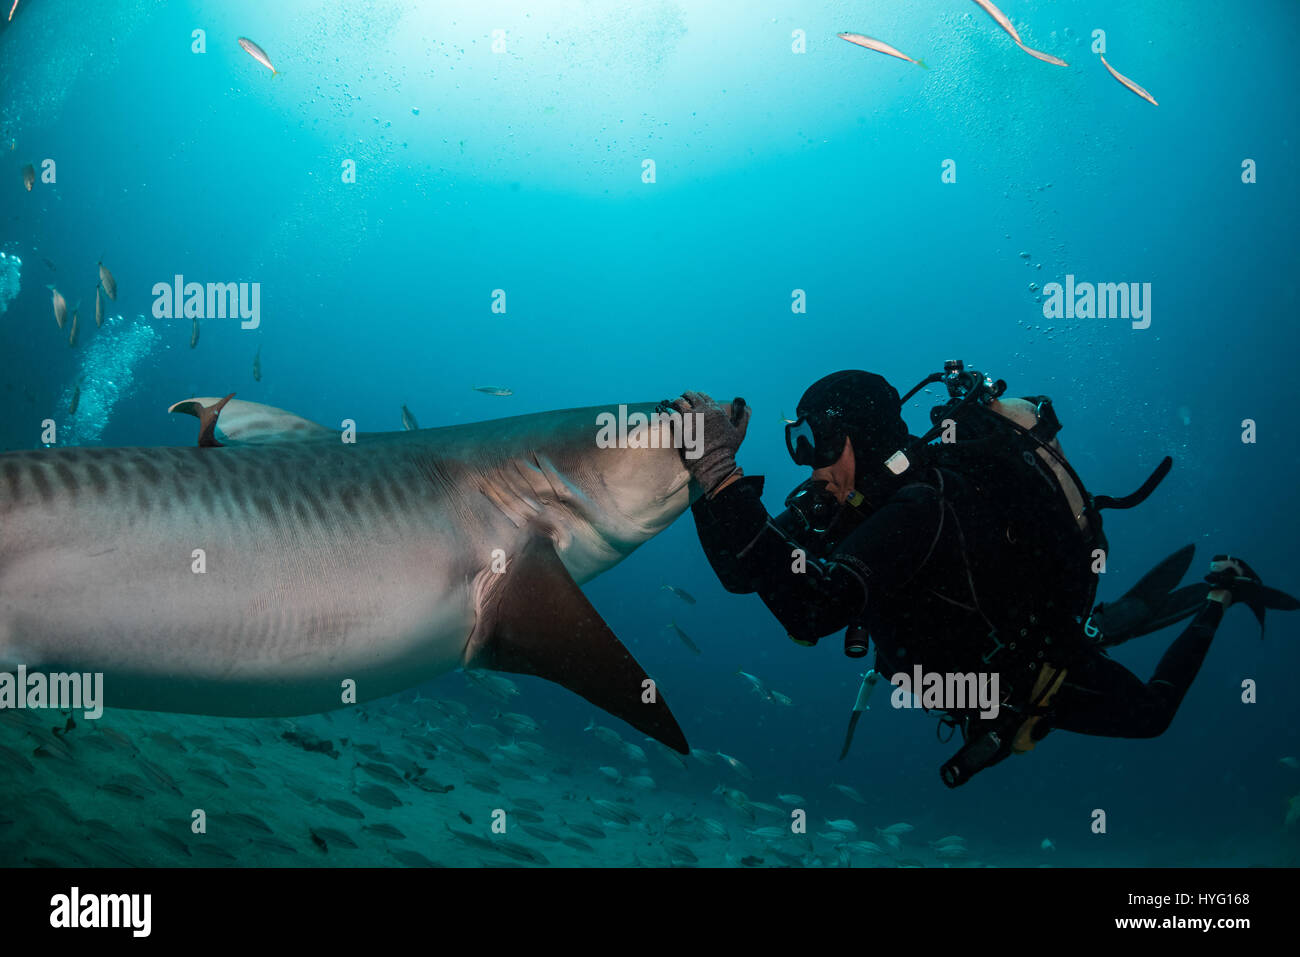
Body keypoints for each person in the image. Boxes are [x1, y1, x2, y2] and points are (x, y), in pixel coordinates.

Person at [668, 364, 1299, 786]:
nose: (810, 464)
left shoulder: (920, 508)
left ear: (861, 436)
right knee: (1090, 632)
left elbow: (809, 610)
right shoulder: (856, 508)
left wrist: (723, 474)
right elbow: (746, 568)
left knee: (1151, 714)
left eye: (822, 443)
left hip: (1032, 677)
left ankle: (1220, 590)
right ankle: (1101, 624)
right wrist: (708, 482)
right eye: (797, 444)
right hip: (987, 668)